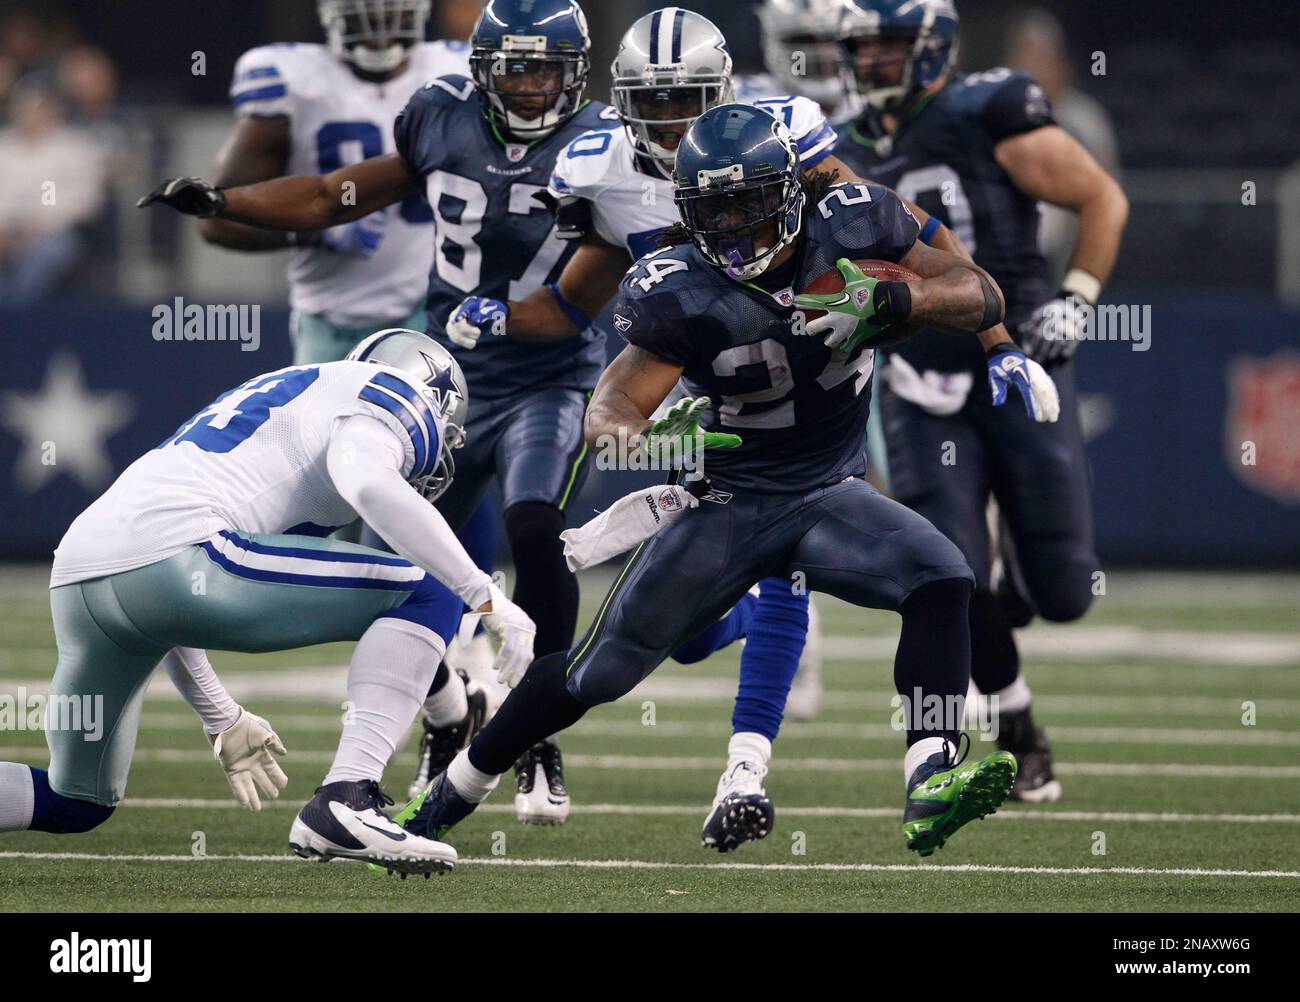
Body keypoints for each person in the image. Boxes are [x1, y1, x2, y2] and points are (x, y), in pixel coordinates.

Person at [392, 102, 1064, 859]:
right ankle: (448, 797)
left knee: (944, 578)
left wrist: (898, 297)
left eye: (748, 203)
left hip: (827, 492)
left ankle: (929, 776)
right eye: (716, 210)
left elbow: (979, 291)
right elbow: (611, 407)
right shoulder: (674, 283)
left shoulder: (854, 218)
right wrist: (644, 437)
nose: (736, 224)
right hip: (728, 502)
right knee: (593, 675)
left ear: (790, 190)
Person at [140, 0, 616, 826]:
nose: (534, 87)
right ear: (483, 73)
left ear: (576, 74)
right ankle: (444, 714)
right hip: (450, 381)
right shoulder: (440, 118)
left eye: (549, 70)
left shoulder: (606, 145)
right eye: (517, 69)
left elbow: (578, 303)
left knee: (534, 526)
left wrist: (507, 318)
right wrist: (228, 203)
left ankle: (536, 731)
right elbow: (334, 196)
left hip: (551, 376)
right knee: (388, 560)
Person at [0, 329, 535, 875]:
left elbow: (156, 601)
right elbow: (367, 480)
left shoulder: (300, 395)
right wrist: (484, 593)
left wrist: (222, 717)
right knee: (430, 591)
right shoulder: (394, 395)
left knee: (76, 801)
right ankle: (345, 797)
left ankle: (353, 792)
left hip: (81, 571)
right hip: (178, 554)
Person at [832, 0, 1129, 800]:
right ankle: (1019, 727)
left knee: (1064, 591)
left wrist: (1077, 296)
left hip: (1015, 364)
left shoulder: (987, 108)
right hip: (918, 384)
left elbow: (1103, 197)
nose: (871, 64)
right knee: (950, 572)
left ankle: (1020, 595)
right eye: (861, 49)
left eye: (888, 49)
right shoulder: (839, 148)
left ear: (932, 51)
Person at [198, 0, 470, 363]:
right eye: (368, 10)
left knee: (430, 417)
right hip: (332, 317)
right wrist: (314, 233)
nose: (380, 24)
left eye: (392, 9)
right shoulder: (291, 80)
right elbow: (219, 220)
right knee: (324, 418)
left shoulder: (457, 70)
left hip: (433, 308)